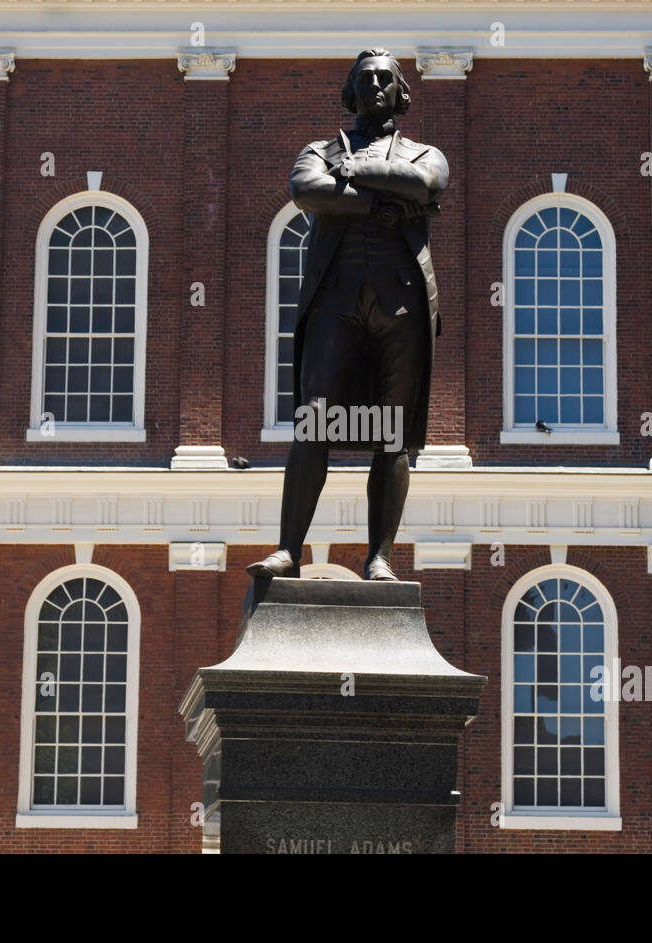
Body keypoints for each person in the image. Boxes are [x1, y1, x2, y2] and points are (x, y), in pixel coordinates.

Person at [247, 49, 449, 582]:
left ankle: (379, 557)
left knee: (391, 435)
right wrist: (383, 205)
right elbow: (307, 191)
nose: (378, 86)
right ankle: (289, 549)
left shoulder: (424, 151)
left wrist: (357, 172)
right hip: (335, 303)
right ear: (351, 90)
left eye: (387, 78)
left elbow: (426, 186)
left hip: (401, 304)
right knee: (314, 424)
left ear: (401, 91)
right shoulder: (317, 150)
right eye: (367, 79)